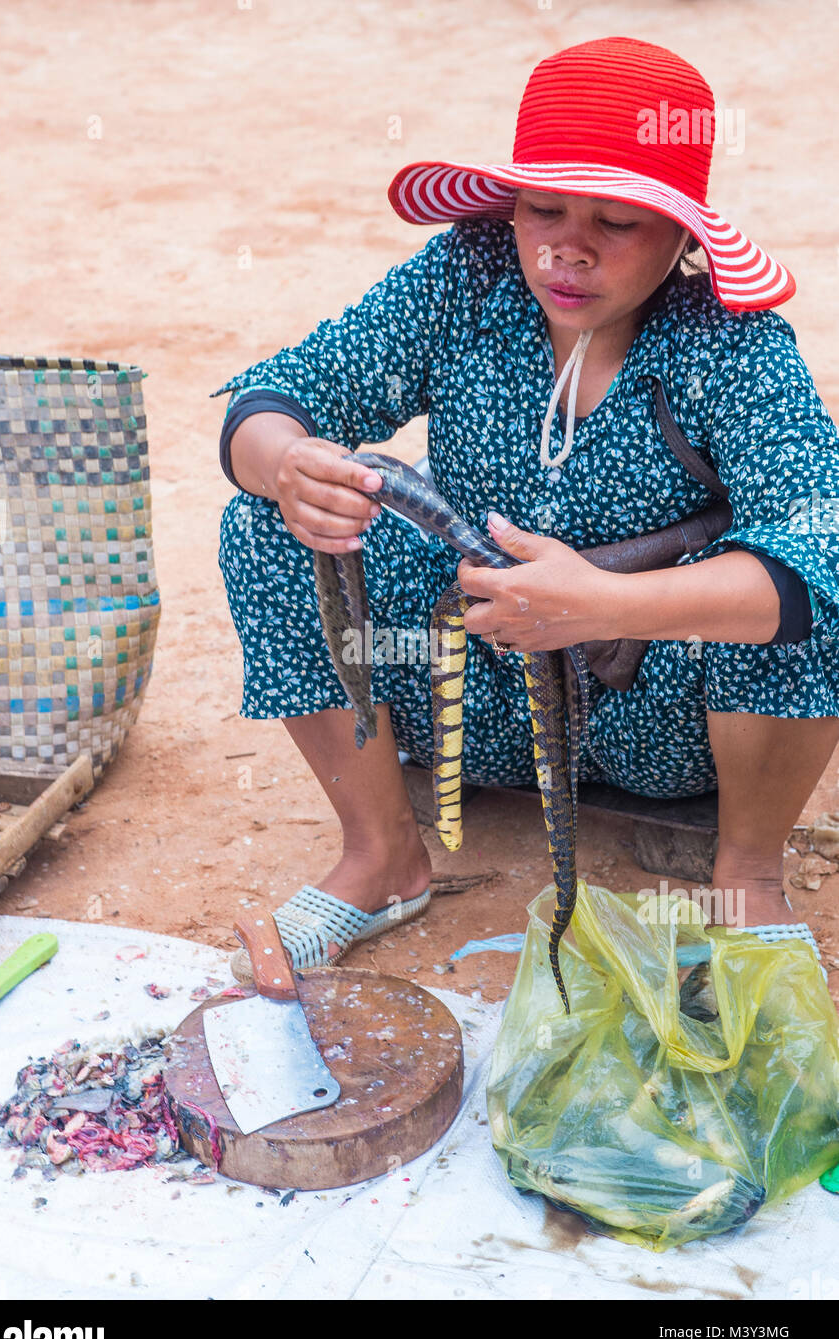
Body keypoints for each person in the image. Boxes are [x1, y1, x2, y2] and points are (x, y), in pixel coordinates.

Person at [213, 36, 839, 971]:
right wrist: (290, 464)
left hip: (657, 715)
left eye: (615, 223)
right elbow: (274, 399)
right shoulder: (467, 277)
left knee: (805, 597)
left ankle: (744, 872)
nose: (567, 248)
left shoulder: (730, 344)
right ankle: (383, 854)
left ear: (680, 236)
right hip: (471, 695)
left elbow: (818, 547)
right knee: (266, 521)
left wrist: (602, 603)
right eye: (542, 208)